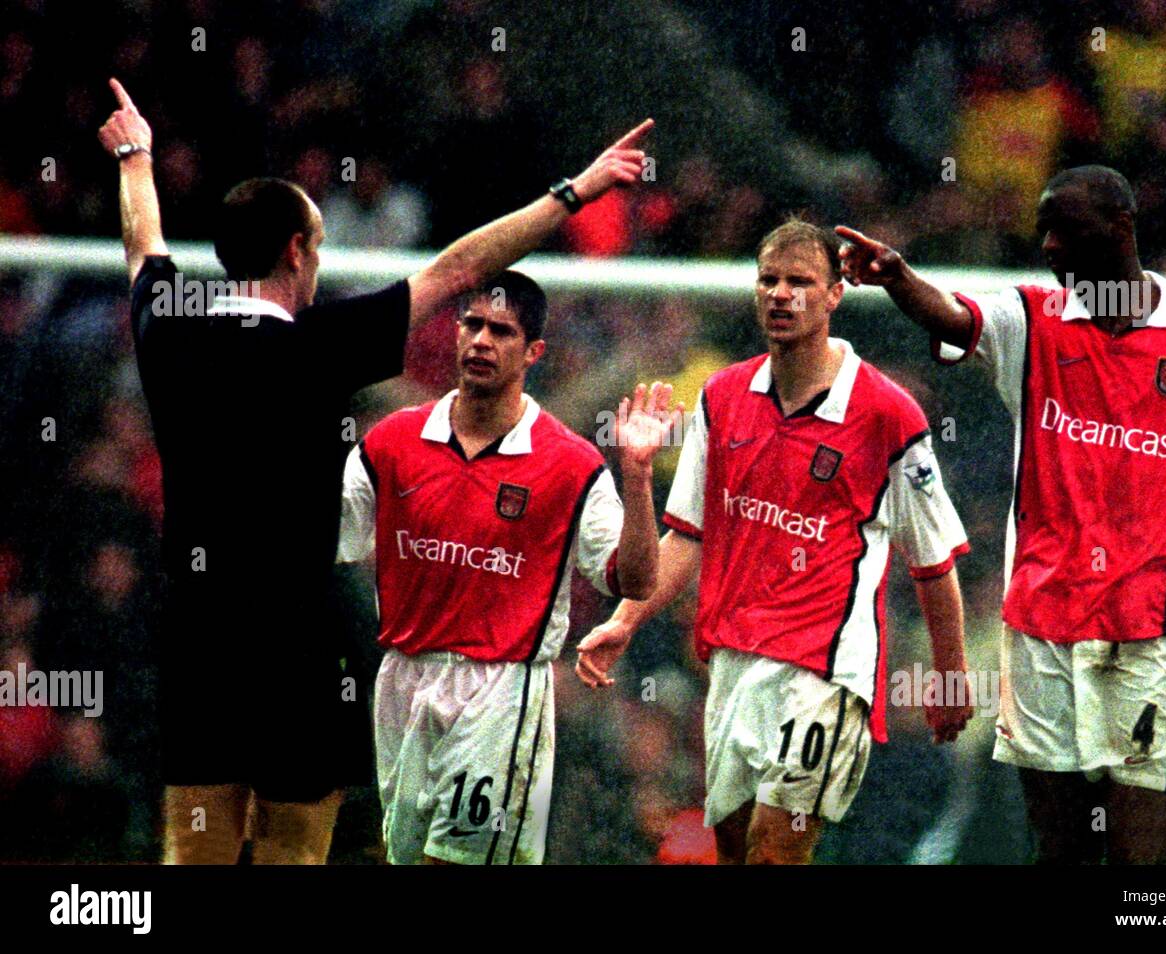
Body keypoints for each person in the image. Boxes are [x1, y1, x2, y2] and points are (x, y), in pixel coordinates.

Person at [97, 76, 653, 864]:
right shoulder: (318, 345)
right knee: (294, 850)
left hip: (195, 640)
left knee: (194, 850)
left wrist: (134, 157)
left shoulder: (168, 333)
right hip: (293, 641)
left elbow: (142, 247)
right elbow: (462, 269)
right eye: (317, 243)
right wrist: (576, 190)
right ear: (297, 251)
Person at [836, 165, 1166, 864]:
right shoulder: (1034, 319)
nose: (1048, 245)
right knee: (1060, 850)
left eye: (1065, 228)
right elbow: (952, 313)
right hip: (1041, 628)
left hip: (1156, 633)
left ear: (1122, 227)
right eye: (1042, 229)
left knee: (1139, 860)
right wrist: (896, 277)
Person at [575, 218, 975, 864]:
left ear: (835, 294)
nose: (781, 294)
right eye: (770, 280)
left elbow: (933, 561)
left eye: (800, 281)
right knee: (734, 852)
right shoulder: (723, 396)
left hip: (826, 672)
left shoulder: (887, 412)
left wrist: (951, 675)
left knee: (775, 851)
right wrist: (626, 620)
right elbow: (687, 535)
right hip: (732, 662)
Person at [336, 271, 679, 864]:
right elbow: (328, 537)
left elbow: (635, 580)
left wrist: (640, 474)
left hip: (501, 688)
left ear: (534, 351)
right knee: (406, 859)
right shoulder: (391, 441)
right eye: (472, 324)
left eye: (501, 331)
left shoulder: (571, 464)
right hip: (402, 680)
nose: (481, 341)